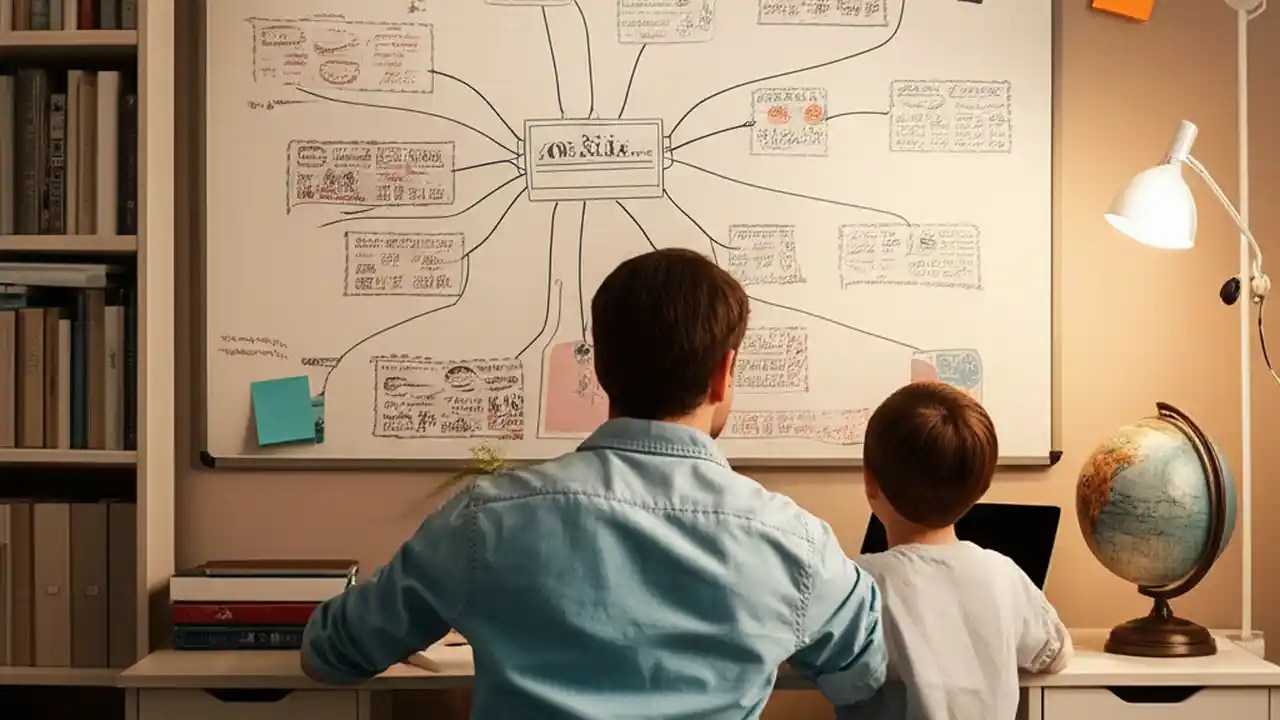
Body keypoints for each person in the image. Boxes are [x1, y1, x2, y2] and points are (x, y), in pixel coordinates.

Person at [300, 248, 887, 719]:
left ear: (601, 367)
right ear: (723, 372)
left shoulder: (485, 520)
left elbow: (331, 653)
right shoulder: (795, 542)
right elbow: (862, 674)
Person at [836, 381, 1072, 720]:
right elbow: (1056, 654)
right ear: (981, 487)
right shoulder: (1003, 574)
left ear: (869, 481)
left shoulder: (858, 585)